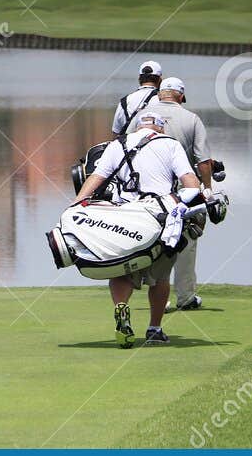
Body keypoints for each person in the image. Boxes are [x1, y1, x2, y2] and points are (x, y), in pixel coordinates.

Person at [71, 113, 202, 346]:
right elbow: (189, 181)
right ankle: (154, 329)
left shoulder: (117, 144)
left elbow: (96, 177)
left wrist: (76, 204)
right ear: (160, 128)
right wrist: (199, 200)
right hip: (159, 216)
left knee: (121, 269)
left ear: (138, 127)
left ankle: (121, 307)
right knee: (160, 277)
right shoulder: (170, 144)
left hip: (123, 216)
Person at [140, 76, 215, 311]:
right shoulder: (191, 119)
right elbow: (203, 161)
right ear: (181, 96)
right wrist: (207, 189)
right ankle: (186, 297)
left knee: (154, 240)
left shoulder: (141, 117)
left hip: (148, 191)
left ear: (159, 94)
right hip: (185, 191)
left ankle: (155, 294)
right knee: (186, 241)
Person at [110, 58, 164, 139]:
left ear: (139, 78)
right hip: (154, 144)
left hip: (128, 145)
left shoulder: (124, 101)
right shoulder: (161, 100)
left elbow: (116, 132)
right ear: (160, 80)